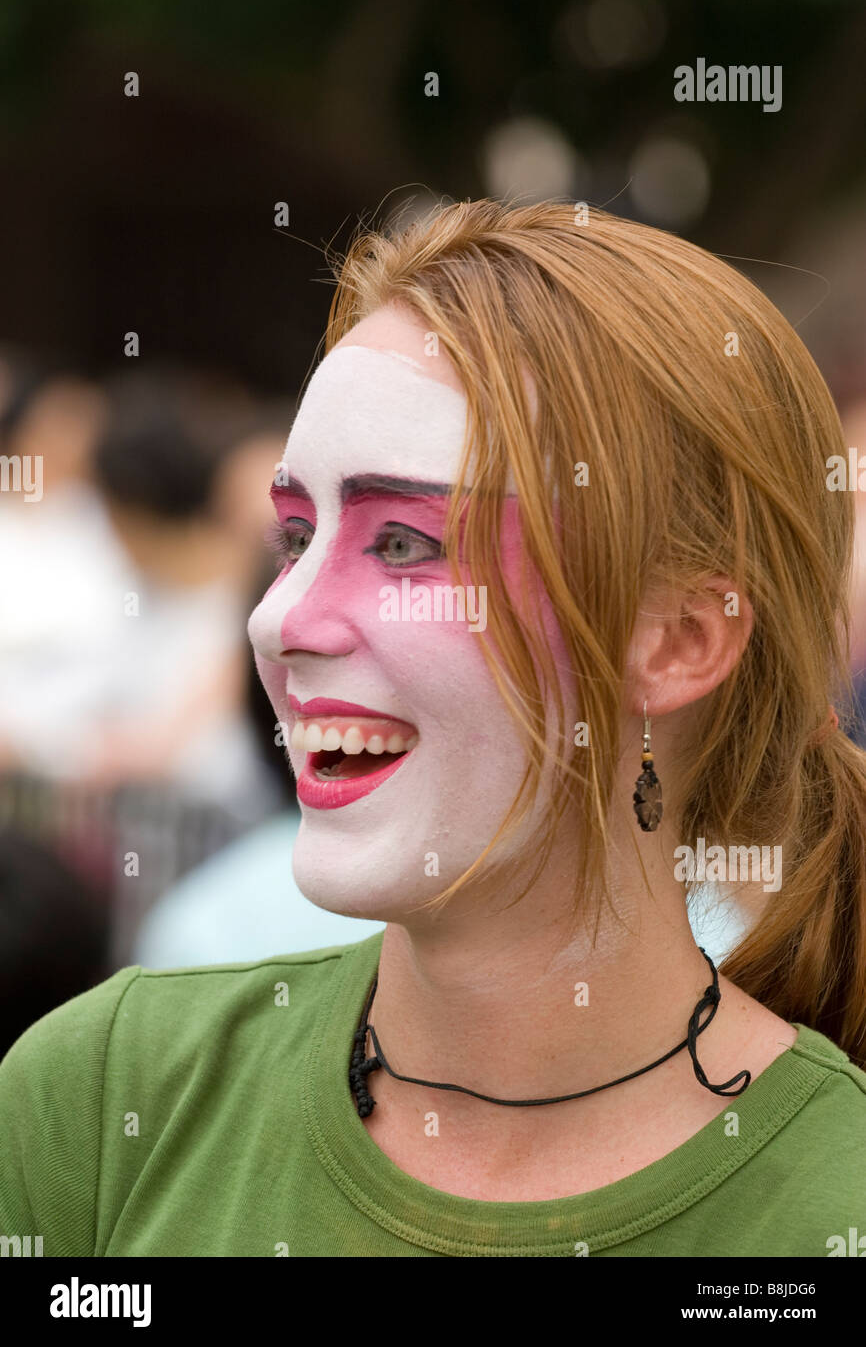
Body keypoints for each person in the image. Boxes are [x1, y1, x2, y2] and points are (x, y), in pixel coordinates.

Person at [1, 199, 865, 1258]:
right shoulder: (100, 1096)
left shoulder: (831, 1206)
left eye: (405, 542)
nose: (277, 620)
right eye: (293, 534)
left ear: (678, 640)